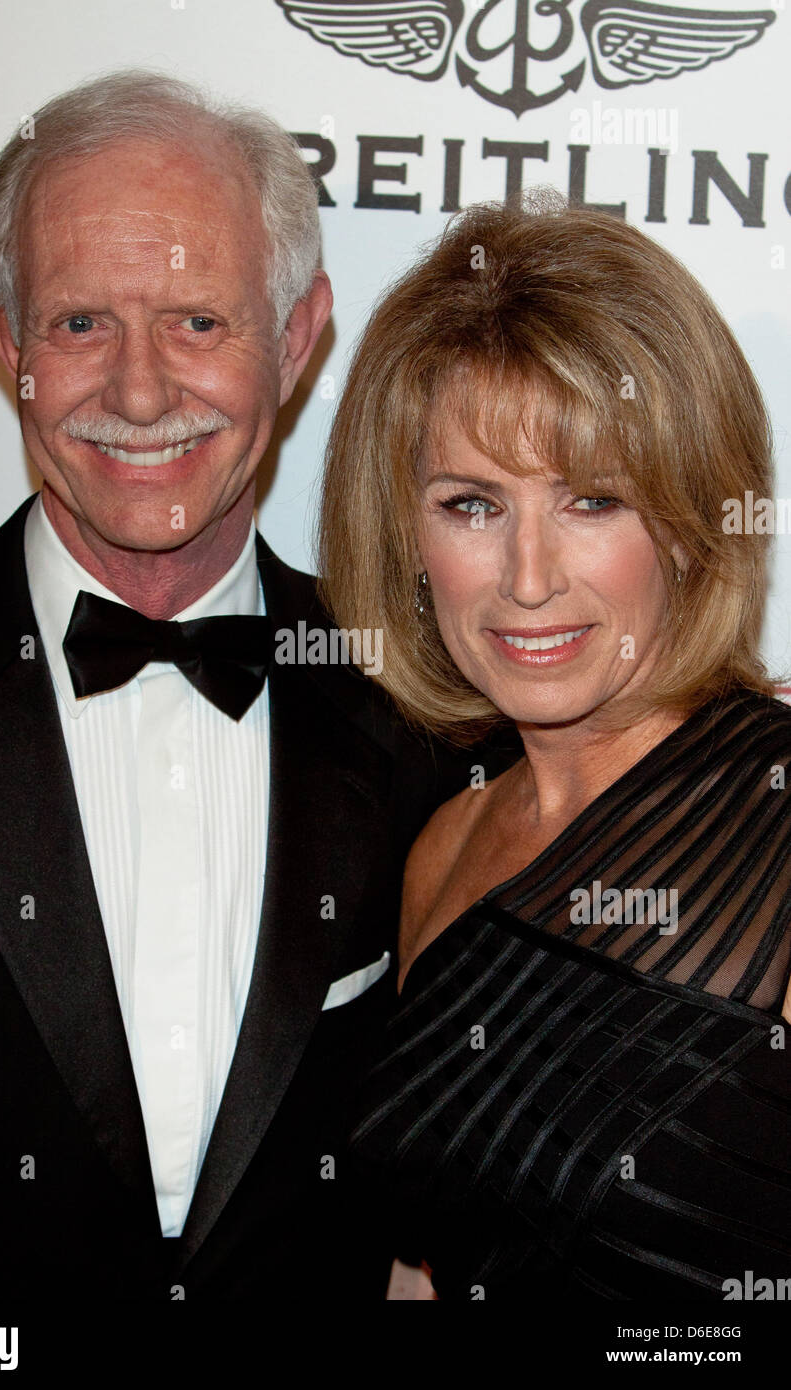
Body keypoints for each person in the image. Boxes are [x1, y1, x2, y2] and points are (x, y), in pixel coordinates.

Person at [0, 71, 511, 1302]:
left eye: (199, 323)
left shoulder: (433, 712)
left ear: (298, 336)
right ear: (7, 342)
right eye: (79, 325)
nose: (143, 393)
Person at [318, 195, 791, 1300]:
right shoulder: (443, 847)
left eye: (591, 499)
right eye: (472, 504)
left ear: (686, 518)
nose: (528, 578)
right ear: (407, 534)